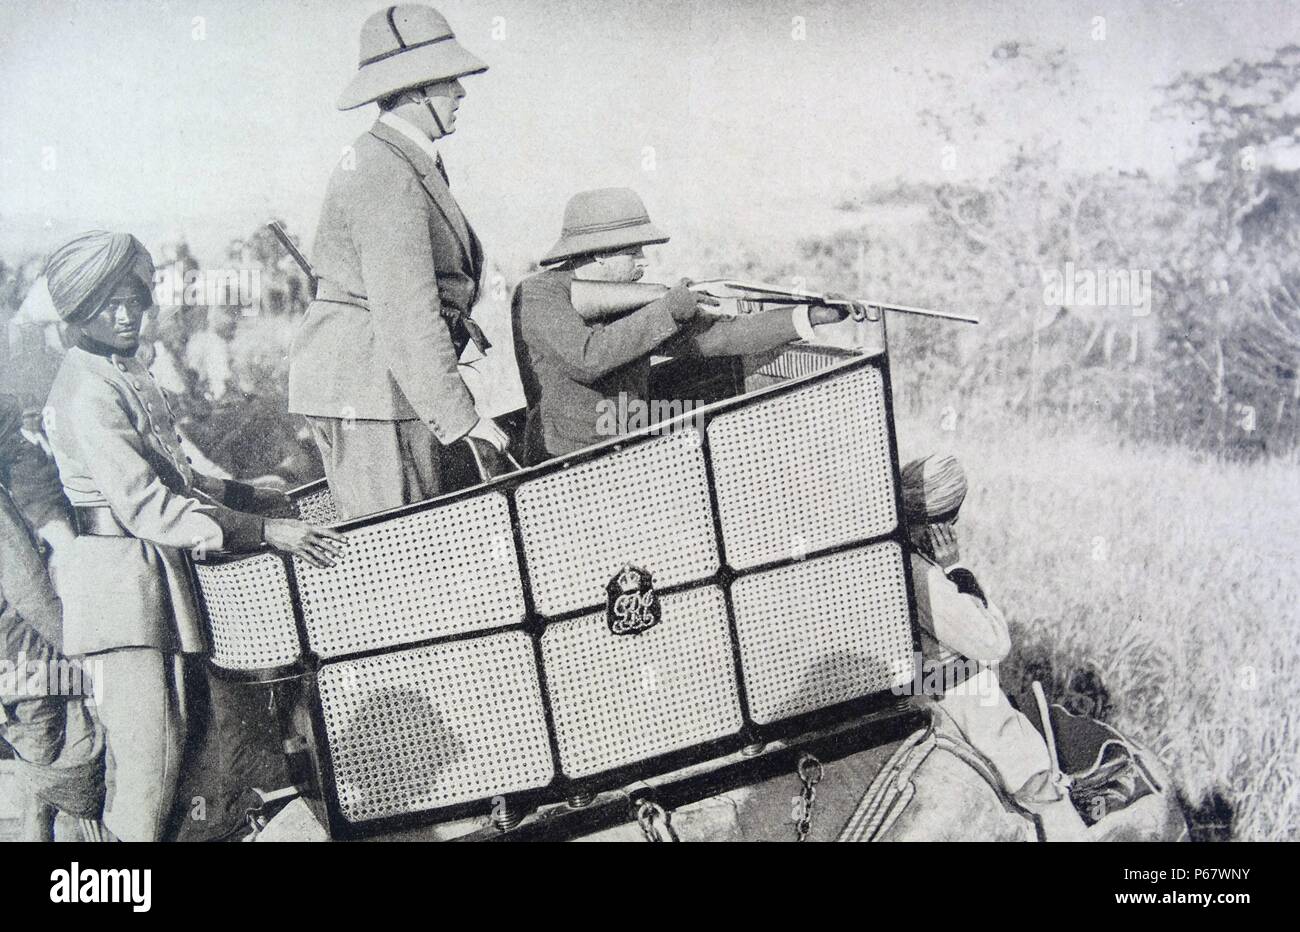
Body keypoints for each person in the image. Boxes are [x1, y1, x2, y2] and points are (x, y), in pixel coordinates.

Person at [41, 231, 347, 841]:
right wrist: (262, 530)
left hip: (146, 582)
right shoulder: (88, 393)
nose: (127, 314)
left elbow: (175, 473)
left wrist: (244, 494)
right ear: (80, 313)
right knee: (148, 769)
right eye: (109, 305)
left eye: (134, 298)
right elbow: (148, 504)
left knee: (175, 757)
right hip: (120, 593)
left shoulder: (116, 370)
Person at [289, 3, 508, 520]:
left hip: (382, 387)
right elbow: (407, 310)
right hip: (371, 393)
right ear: (413, 89)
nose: (461, 92)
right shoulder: (384, 168)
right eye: (447, 79)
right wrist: (462, 418)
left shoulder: (400, 160)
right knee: (398, 558)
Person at [512, 187, 851, 463]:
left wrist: (811, 315)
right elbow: (586, 358)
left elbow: (719, 337)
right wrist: (668, 310)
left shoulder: (626, 296)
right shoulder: (539, 294)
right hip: (564, 461)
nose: (644, 260)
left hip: (630, 447)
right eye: (634, 251)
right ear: (601, 253)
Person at [902, 452, 1091, 840]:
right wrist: (956, 568)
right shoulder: (926, 575)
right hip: (956, 700)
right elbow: (993, 644)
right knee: (1041, 785)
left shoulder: (893, 558)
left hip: (905, 690)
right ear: (943, 523)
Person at [0, 395, 106, 841]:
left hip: (12, 664)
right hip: (29, 661)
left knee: (38, 770)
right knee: (59, 763)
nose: (19, 446)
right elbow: (31, 592)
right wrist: (79, 650)